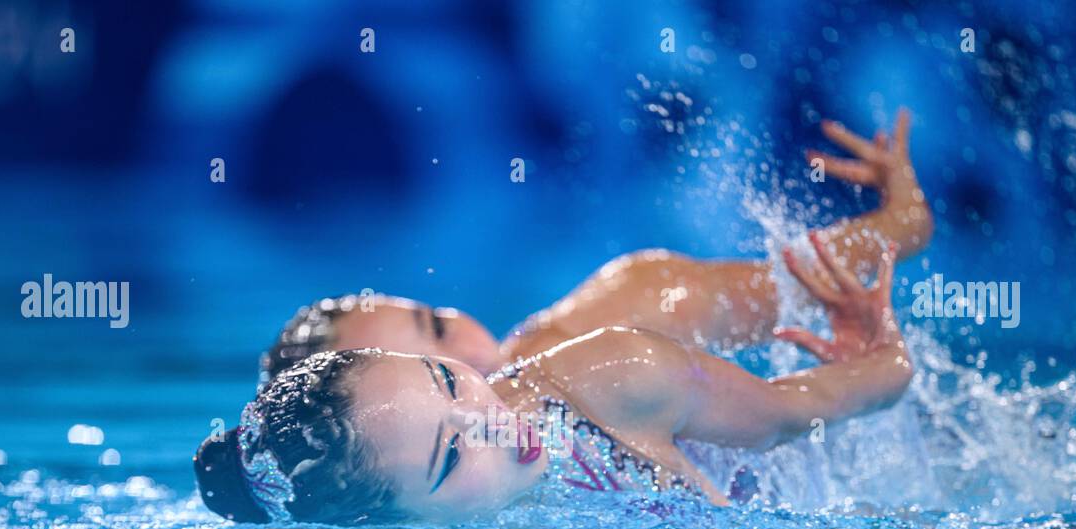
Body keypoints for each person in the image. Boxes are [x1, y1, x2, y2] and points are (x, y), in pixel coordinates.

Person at [195, 235, 911, 524]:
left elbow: (794, 413)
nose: (491, 420)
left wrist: (879, 361)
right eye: (451, 457)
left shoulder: (615, 375)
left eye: (452, 381)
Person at [260, 110, 930, 380]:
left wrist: (903, 214)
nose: (462, 353)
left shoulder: (636, 308)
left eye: (435, 324)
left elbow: (819, 275)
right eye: (429, 370)